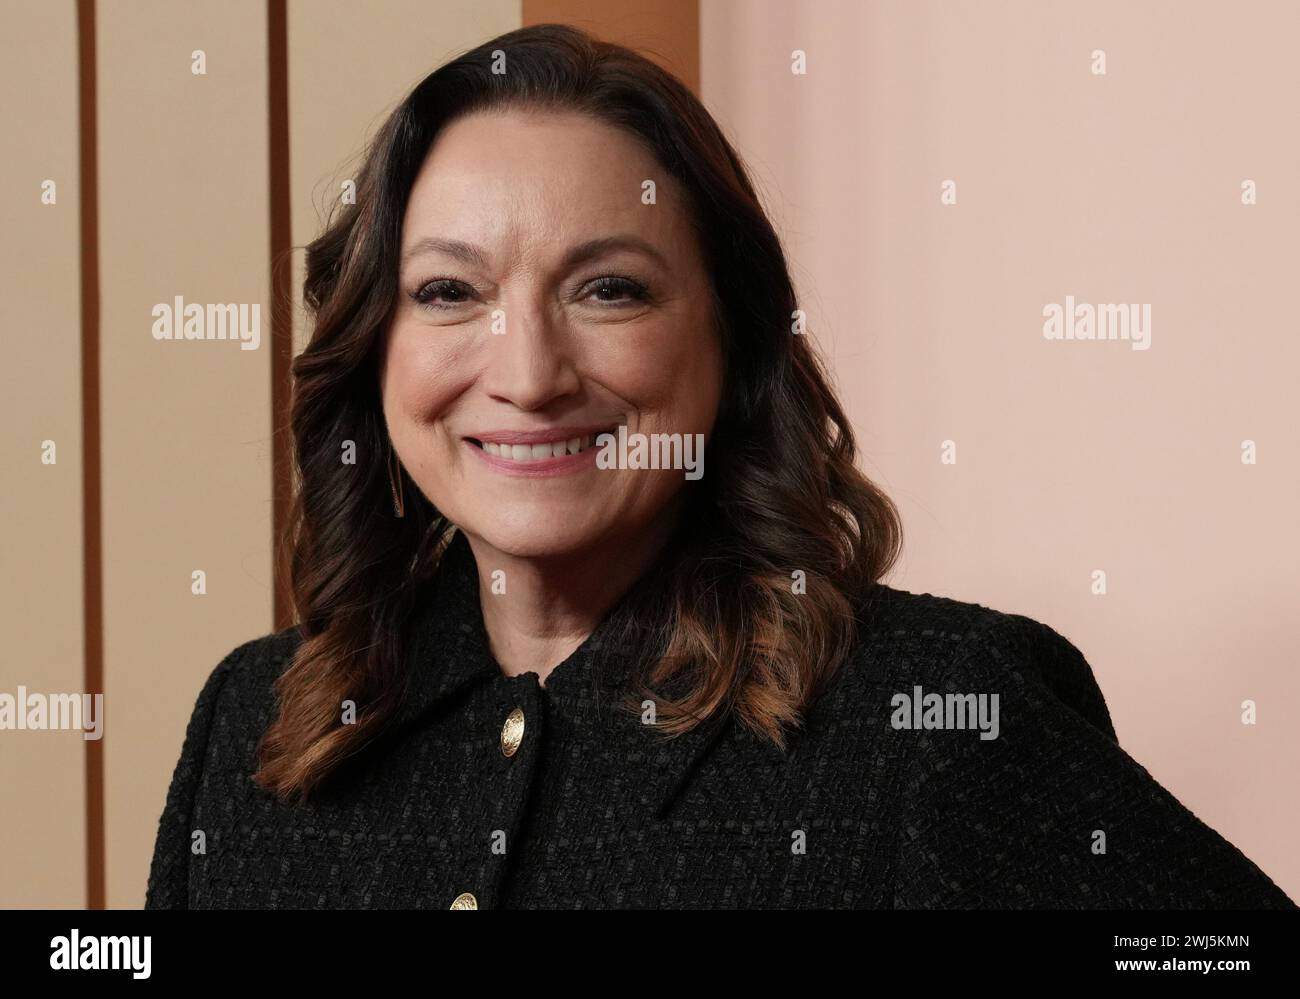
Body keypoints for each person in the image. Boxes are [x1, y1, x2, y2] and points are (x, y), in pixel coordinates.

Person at [144, 23, 1295, 909]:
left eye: (610, 290)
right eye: (450, 292)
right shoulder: (256, 722)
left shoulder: (940, 716)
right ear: (373, 349)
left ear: (731, 345)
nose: (529, 373)